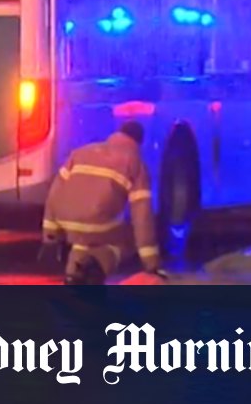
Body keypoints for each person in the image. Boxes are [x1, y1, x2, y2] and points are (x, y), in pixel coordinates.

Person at [42, 121, 167, 285]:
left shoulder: (80, 153)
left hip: (66, 221)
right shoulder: (135, 163)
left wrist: (50, 235)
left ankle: (73, 273)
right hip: (96, 223)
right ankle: (96, 268)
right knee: (124, 238)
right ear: (138, 142)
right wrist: (151, 263)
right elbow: (142, 215)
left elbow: (55, 192)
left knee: (84, 237)